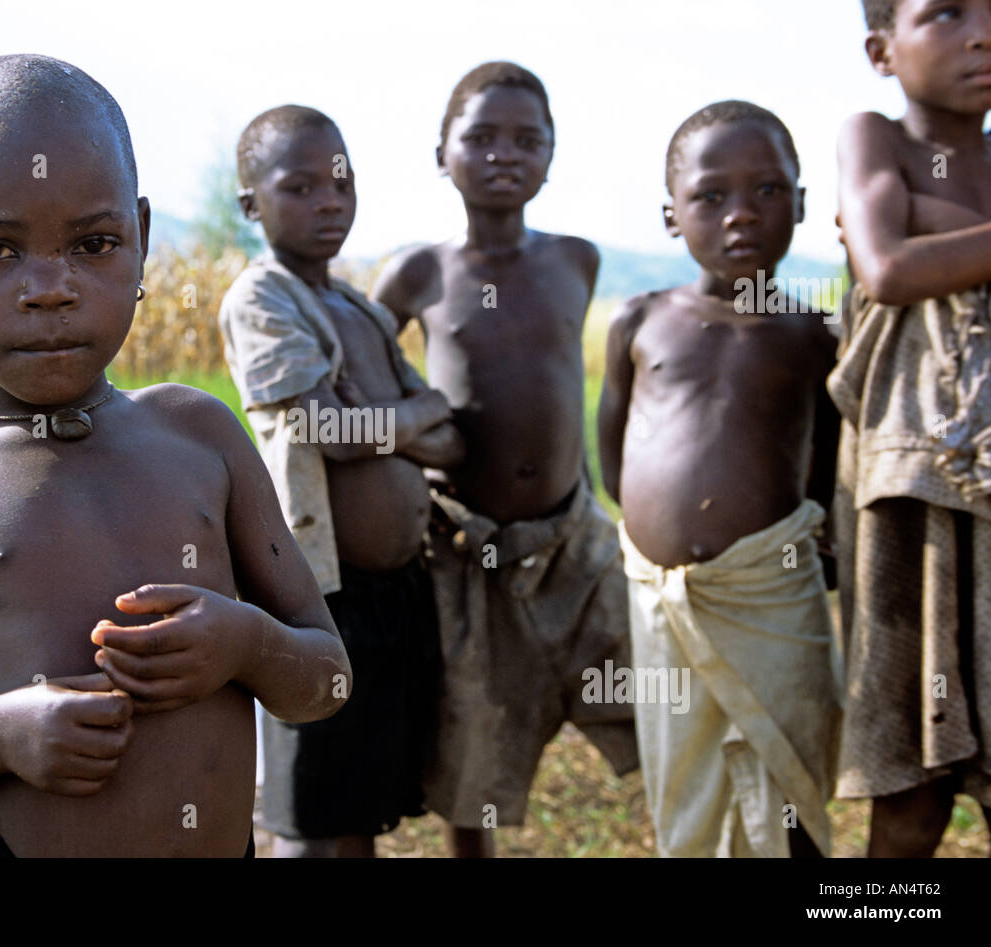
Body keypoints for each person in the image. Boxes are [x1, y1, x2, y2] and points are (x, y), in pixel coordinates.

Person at [0, 55, 350, 858]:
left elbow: (327, 679)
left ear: (142, 239)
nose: (50, 288)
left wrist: (243, 644)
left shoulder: (201, 436)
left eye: (94, 243)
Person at [373, 62, 637, 858]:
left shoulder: (575, 261)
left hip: (575, 538)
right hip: (467, 546)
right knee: (475, 746)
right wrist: (412, 440)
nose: (504, 155)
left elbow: (562, 387)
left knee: (647, 701)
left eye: (528, 139)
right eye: (481, 137)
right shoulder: (421, 271)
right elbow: (362, 363)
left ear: (553, 156)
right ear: (441, 153)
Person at [597, 100, 843, 857]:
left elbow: (827, 471)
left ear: (801, 204)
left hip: (770, 593)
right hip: (664, 596)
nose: (742, 215)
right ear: (672, 216)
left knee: (788, 762)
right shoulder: (642, 319)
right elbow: (613, 444)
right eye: (711, 196)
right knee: (690, 776)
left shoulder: (810, 335)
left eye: (768, 191)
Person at [220, 105, 463, 857]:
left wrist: (395, 417)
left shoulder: (357, 306)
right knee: (311, 806)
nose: (329, 201)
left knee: (366, 793)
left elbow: (450, 439)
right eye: (300, 187)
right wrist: (415, 411)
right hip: (321, 594)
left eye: (341, 183)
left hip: (395, 591)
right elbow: (329, 432)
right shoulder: (260, 299)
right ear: (250, 205)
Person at [831, 0, 991, 856]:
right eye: (948, 14)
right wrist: (913, 236)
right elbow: (888, 266)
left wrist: (941, 229)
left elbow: (902, 246)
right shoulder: (874, 138)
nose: (982, 34)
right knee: (910, 787)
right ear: (881, 49)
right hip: (907, 490)